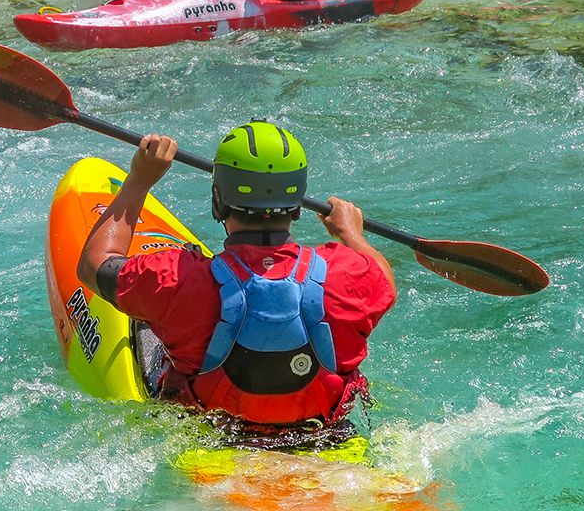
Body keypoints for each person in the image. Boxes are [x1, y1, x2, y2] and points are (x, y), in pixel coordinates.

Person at [76, 123, 398, 446]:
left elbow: (94, 266)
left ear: (219, 200)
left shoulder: (178, 279)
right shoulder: (349, 275)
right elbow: (384, 280)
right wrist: (351, 233)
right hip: (325, 444)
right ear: (298, 206)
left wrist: (140, 180)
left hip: (214, 446)